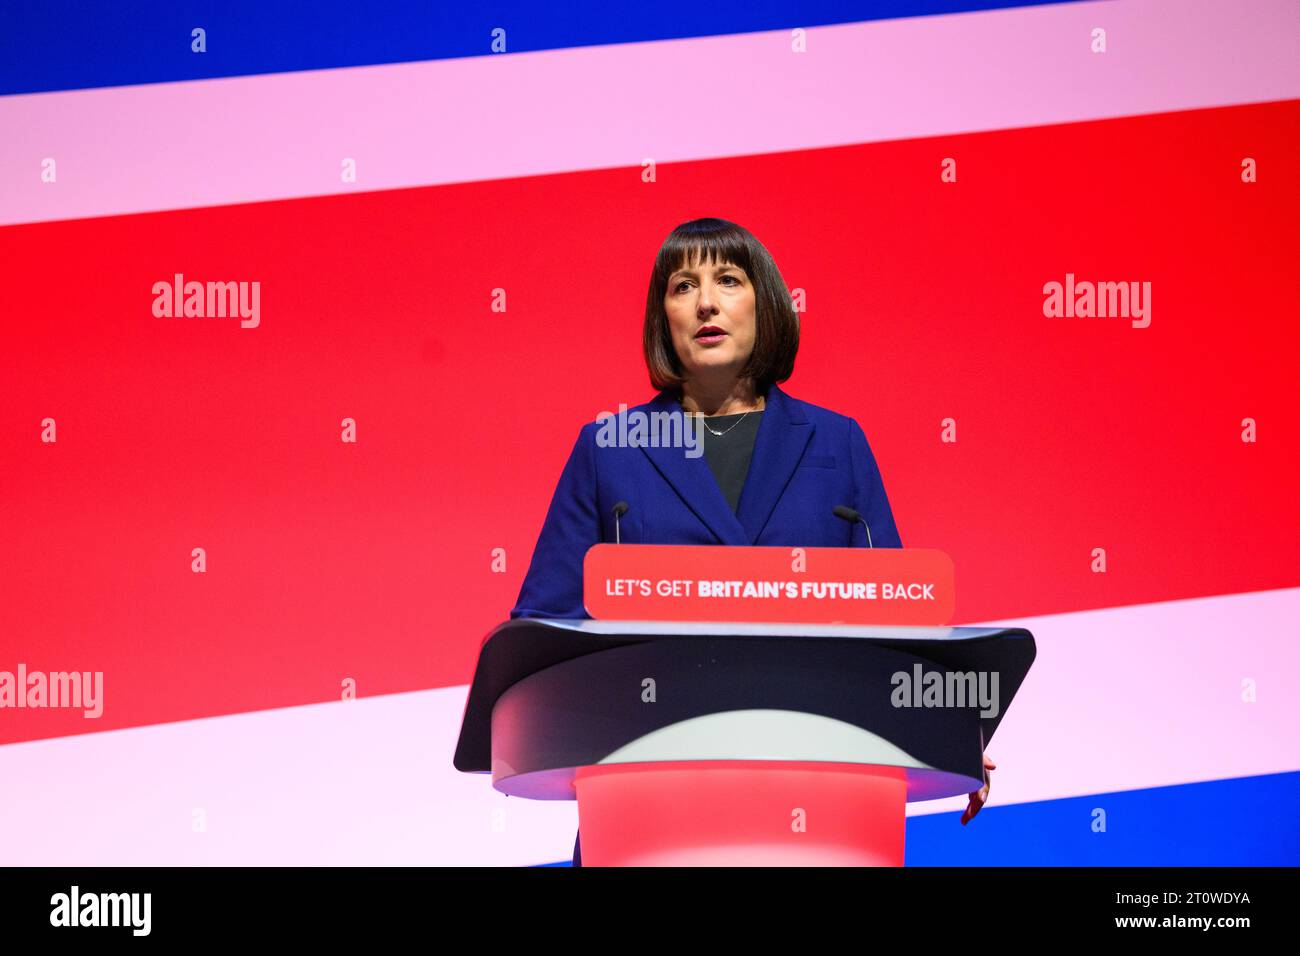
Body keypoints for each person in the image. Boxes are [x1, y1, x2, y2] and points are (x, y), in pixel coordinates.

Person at [508, 217, 992, 866]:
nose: (706, 301)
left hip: (817, 800)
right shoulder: (609, 448)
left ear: (764, 304)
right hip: (649, 804)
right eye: (684, 286)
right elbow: (543, 634)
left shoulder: (837, 444)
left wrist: (947, 728)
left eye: (728, 280)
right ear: (664, 317)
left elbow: (895, 623)